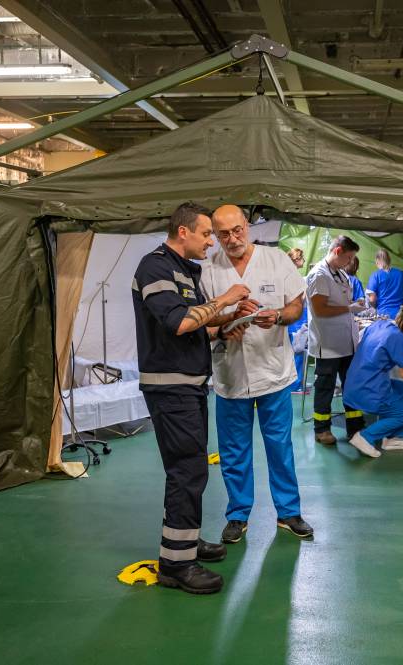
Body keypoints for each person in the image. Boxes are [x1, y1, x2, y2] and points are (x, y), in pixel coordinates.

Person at [132, 201, 257, 595]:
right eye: (207, 234)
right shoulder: (154, 267)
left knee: (192, 469)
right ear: (183, 232)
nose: (212, 242)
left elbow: (193, 327)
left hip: (188, 384)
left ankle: (183, 544)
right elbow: (179, 321)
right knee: (188, 471)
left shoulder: (186, 270)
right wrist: (224, 299)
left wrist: (228, 321)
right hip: (170, 387)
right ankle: (175, 566)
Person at [199, 205, 314, 544]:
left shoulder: (275, 259)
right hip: (230, 373)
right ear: (215, 235)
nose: (232, 239)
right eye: (223, 234)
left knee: (279, 445)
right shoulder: (208, 271)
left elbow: (296, 305)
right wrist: (226, 323)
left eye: (236, 230)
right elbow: (201, 320)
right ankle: (238, 514)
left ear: (246, 226)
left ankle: (289, 511)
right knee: (234, 450)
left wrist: (277, 316)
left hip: (273, 371)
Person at [344, 302, 403, 458]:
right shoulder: (397, 336)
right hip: (369, 390)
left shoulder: (380, 324)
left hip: (354, 382)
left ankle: (392, 438)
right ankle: (364, 437)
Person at [306, 235, 367, 445]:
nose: (349, 263)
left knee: (352, 385)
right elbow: (321, 309)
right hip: (328, 344)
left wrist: (353, 304)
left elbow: (339, 302)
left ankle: (356, 428)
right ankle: (322, 430)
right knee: (325, 387)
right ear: (338, 251)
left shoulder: (340, 273)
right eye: (348, 257)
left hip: (346, 342)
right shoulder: (319, 275)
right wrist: (349, 308)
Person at [286, 247, 310, 393]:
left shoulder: (291, 276)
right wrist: (307, 289)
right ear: (296, 260)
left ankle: (298, 383)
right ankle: (296, 385)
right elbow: (298, 299)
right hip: (297, 320)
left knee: (296, 353)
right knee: (298, 352)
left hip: (297, 319)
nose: (304, 261)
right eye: (302, 258)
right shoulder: (293, 277)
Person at [367, 249, 403, 319]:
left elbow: (372, 299)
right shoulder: (401, 273)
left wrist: (376, 307)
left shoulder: (375, 276)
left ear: (377, 261)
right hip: (400, 314)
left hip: (383, 315)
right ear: (389, 260)